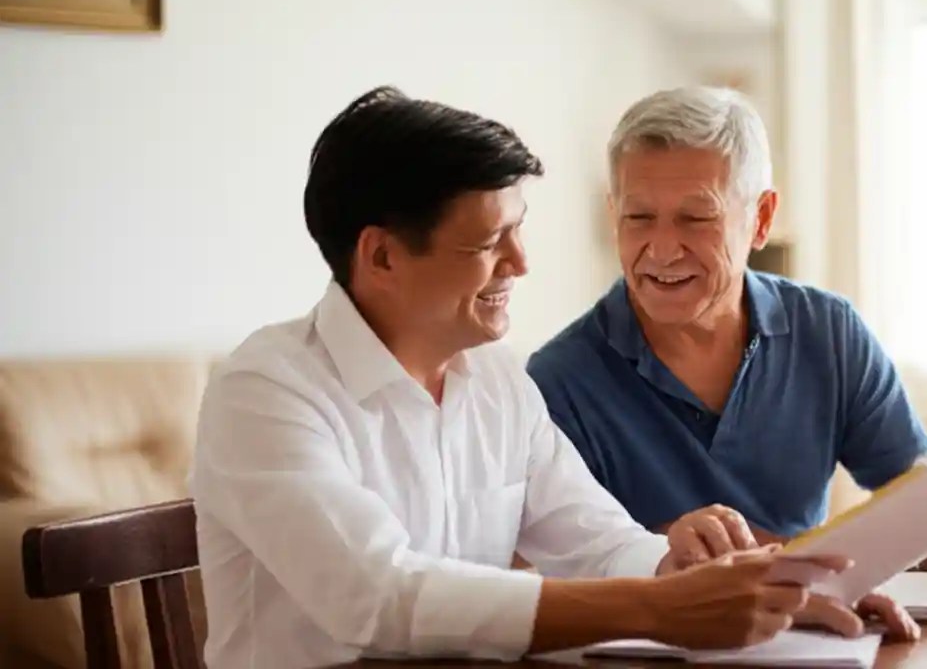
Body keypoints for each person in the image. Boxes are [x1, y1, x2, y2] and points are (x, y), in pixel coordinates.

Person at [190, 86, 862, 669]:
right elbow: (378, 595)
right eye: (489, 244)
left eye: (519, 232)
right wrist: (659, 606)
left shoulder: (496, 381)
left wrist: (741, 585)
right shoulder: (265, 392)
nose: (521, 263)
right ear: (383, 256)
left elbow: (594, 538)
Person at [527, 86, 927, 632]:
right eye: (640, 217)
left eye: (696, 218)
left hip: (819, 637)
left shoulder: (830, 332)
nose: (662, 250)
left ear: (760, 219)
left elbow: (912, 502)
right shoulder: (556, 382)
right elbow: (553, 571)